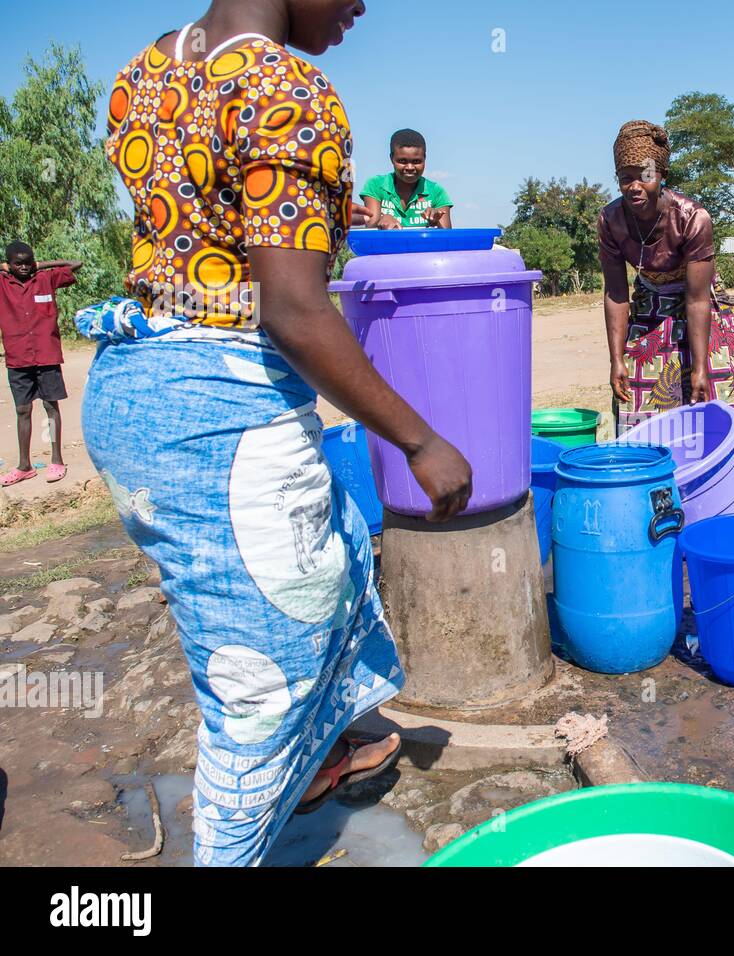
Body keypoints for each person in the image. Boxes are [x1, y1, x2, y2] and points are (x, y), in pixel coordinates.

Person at [87, 0, 472, 866]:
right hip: (220, 418)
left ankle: (322, 753)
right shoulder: (285, 84)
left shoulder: (144, 73)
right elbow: (294, 311)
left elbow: (205, 237)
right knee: (258, 699)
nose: (361, 7)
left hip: (135, 393)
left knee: (326, 578)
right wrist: (417, 441)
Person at [598, 120, 734, 509]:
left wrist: (697, 366)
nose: (634, 186)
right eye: (624, 178)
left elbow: (696, 300)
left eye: (643, 176)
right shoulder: (610, 221)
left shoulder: (693, 218)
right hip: (649, 299)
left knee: (719, 382)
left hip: (702, 302)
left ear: (661, 174)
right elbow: (615, 292)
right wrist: (616, 359)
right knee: (638, 387)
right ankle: (650, 492)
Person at [0, 242, 80, 486]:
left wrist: (39, 266)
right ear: (9, 263)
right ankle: (24, 465)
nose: (24, 267)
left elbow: (74, 264)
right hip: (18, 357)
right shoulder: (3, 284)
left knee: (50, 406)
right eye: (18, 263)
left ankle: (56, 460)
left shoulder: (47, 279)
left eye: (28, 262)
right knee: (22, 410)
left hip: (46, 356)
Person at [360, 128, 453, 229]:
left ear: (424, 158)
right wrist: (383, 220)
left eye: (416, 161)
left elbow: (447, 239)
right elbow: (370, 230)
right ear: (392, 158)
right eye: (402, 161)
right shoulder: (376, 185)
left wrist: (436, 222)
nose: (409, 167)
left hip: (423, 245)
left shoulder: (436, 192)